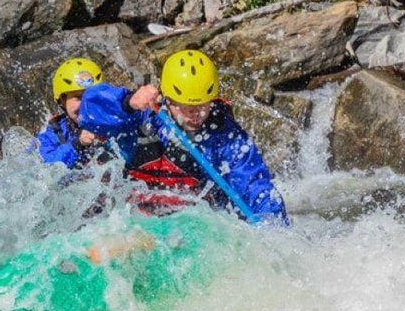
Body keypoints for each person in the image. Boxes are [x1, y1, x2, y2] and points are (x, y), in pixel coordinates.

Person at [78, 49, 289, 224]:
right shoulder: (140, 116)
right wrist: (127, 103)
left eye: (202, 105)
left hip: (191, 228)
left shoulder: (225, 137)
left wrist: (273, 229)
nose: (196, 114)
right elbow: (89, 111)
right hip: (130, 219)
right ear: (167, 99)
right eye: (186, 107)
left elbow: (256, 188)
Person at [36, 57, 116, 169]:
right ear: (62, 101)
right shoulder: (52, 135)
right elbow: (41, 167)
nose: (86, 104)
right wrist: (77, 144)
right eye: (79, 97)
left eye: (93, 96)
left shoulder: (115, 118)